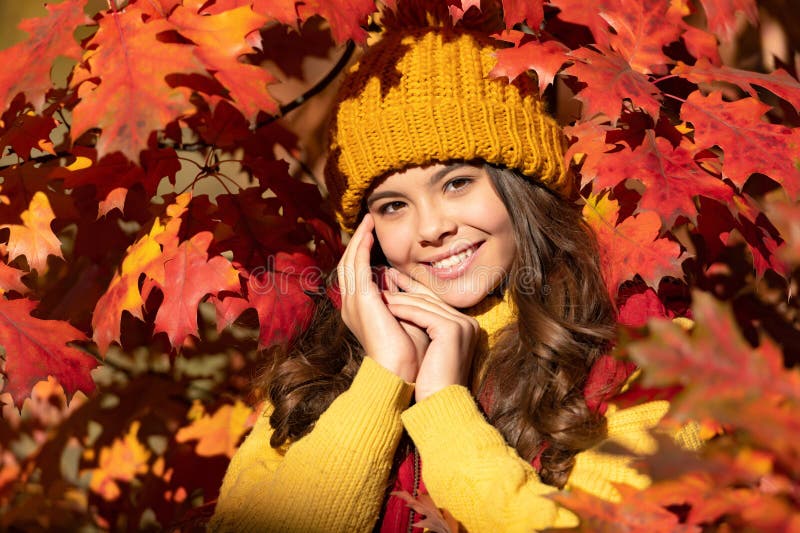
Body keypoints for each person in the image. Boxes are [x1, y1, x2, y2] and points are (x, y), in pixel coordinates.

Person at [210, 20, 701, 533]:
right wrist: (385, 376)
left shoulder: (641, 347)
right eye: (393, 206)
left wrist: (445, 409)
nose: (431, 229)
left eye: (457, 183)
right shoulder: (326, 361)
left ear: (525, 185)